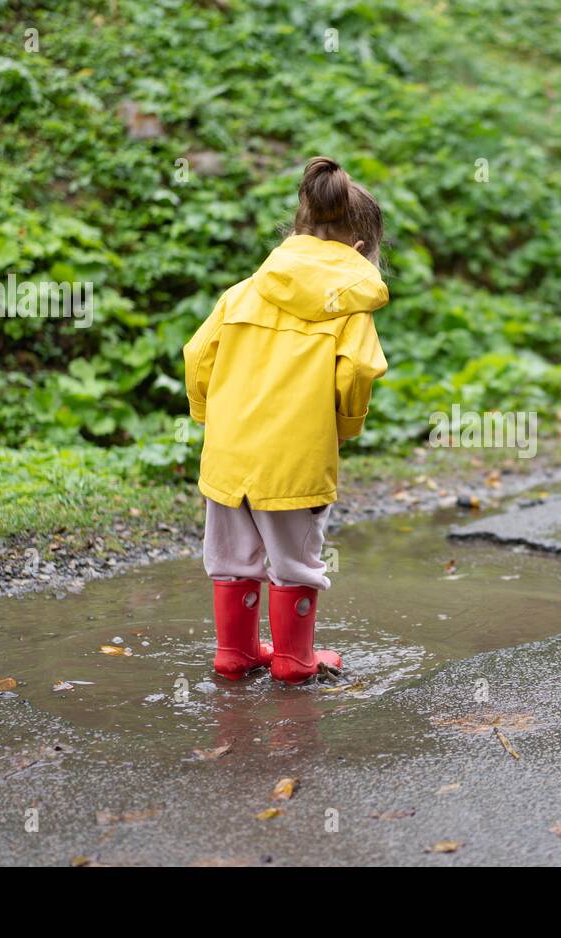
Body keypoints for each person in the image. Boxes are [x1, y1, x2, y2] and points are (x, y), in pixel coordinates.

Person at [183, 156, 388, 683]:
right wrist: (342, 428)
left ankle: (235, 653)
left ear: (297, 229)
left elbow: (197, 354)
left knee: (230, 557)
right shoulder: (348, 309)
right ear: (360, 249)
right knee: (295, 561)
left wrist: (209, 416)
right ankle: (294, 661)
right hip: (295, 460)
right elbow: (356, 372)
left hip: (228, 453)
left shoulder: (243, 291)